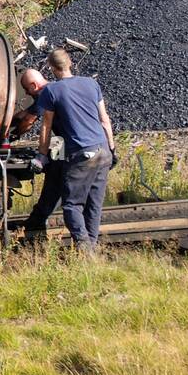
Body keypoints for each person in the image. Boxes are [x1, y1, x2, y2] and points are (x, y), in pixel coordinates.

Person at [34, 48, 118, 252]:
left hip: (81, 154)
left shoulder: (51, 91)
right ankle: (92, 247)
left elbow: (46, 126)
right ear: (70, 62)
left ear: (52, 68)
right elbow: (104, 120)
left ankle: (85, 250)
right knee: (94, 205)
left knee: (72, 205)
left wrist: (42, 156)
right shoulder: (91, 83)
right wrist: (112, 149)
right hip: (103, 150)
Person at [10, 68, 64, 241]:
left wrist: (12, 135)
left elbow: (29, 120)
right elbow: (27, 113)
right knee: (57, 177)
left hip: (67, 142)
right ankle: (38, 218)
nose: (26, 92)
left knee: (57, 176)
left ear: (34, 85)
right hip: (67, 139)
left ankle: (39, 220)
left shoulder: (45, 94)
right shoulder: (54, 89)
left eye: (26, 89)